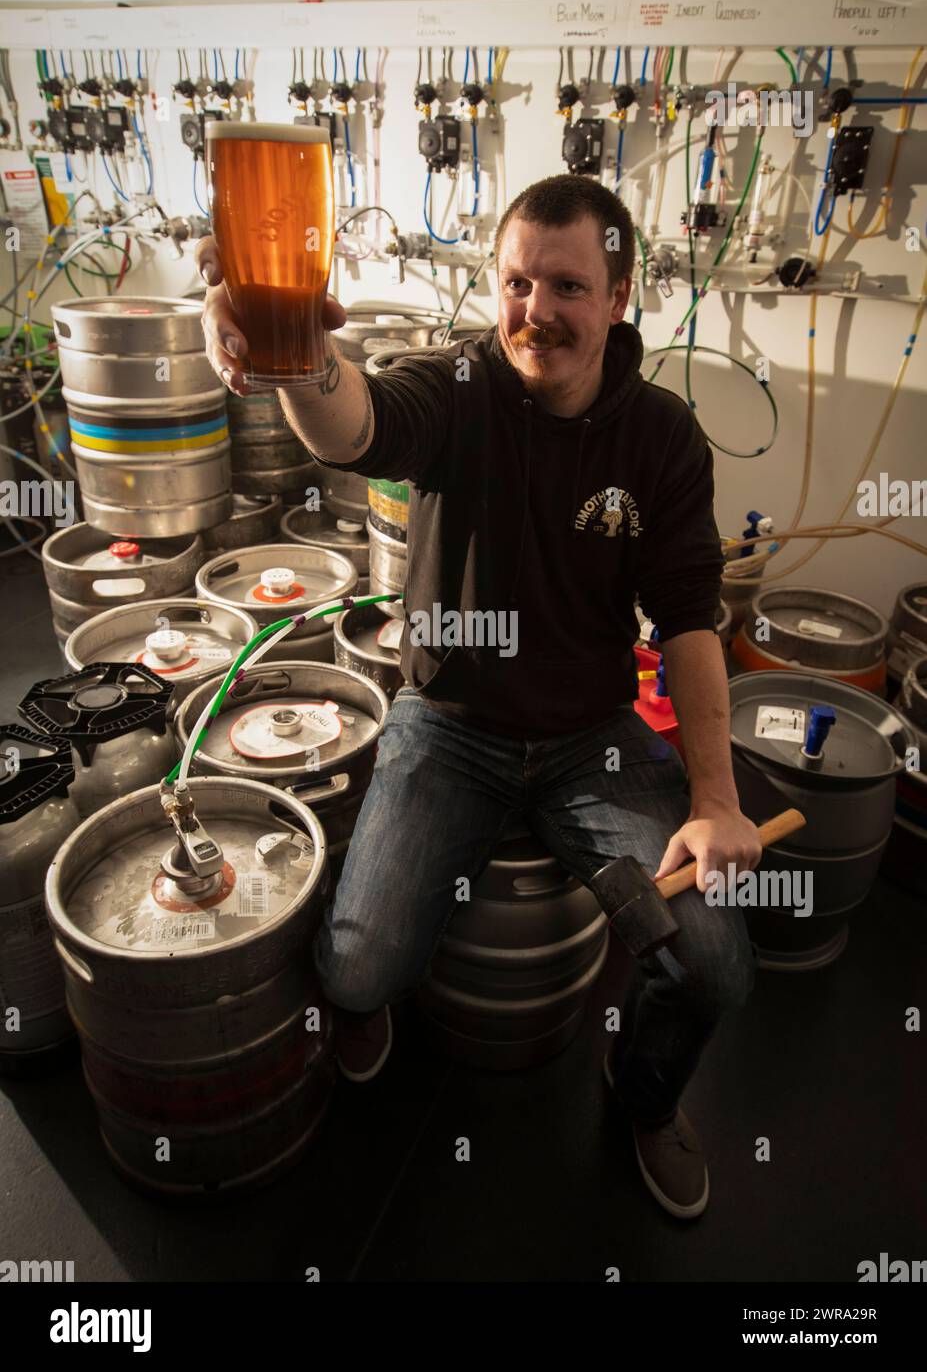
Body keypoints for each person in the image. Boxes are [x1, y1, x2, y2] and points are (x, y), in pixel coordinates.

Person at [197, 173, 763, 1221]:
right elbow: (354, 424)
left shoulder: (662, 438)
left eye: (567, 285)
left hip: (594, 738)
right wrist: (296, 355)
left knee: (715, 962)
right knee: (361, 970)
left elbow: (688, 620)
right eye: (515, 282)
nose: (535, 309)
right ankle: (367, 996)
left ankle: (640, 1096)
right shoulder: (456, 385)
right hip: (448, 726)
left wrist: (716, 798)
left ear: (621, 295)